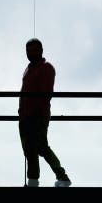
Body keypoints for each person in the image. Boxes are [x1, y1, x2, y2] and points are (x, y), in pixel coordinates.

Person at [19, 38, 71, 187]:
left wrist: (34, 112)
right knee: (30, 151)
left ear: (41, 51)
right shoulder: (28, 70)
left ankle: (62, 177)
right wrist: (22, 112)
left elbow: (46, 94)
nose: (30, 53)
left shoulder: (47, 68)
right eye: (28, 50)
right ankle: (33, 182)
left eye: (34, 50)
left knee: (41, 146)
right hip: (25, 117)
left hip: (38, 116)